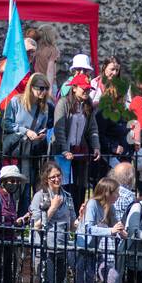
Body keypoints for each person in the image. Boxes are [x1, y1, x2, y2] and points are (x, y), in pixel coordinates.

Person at [74, 177, 128, 283]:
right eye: (115, 192)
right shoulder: (92, 204)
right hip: (83, 251)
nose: (118, 195)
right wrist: (111, 230)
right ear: (106, 193)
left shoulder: (111, 207)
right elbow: (88, 229)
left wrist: (122, 232)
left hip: (97, 252)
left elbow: (117, 227)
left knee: (113, 277)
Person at [29, 161, 75, 283]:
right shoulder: (39, 196)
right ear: (46, 179)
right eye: (52, 177)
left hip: (62, 248)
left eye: (58, 176)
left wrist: (80, 219)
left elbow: (72, 225)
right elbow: (35, 225)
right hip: (45, 250)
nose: (56, 179)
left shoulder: (67, 197)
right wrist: (53, 208)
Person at [54, 71, 103, 211]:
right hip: (62, 152)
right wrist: (64, 149)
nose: (87, 91)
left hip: (79, 152)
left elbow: (93, 129)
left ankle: (76, 215)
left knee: (79, 187)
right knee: (63, 186)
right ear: (74, 87)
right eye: (84, 88)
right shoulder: (63, 103)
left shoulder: (87, 105)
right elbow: (59, 129)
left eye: (88, 89)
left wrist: (96, 147)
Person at [4, 72, 55, 195]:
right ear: (31, 87)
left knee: (30, 185)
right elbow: (5, 123)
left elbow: (45, 127)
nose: (43, 92)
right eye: (40, 88)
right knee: (17, 186)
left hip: (32, 150)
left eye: (46, 89)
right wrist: (26, 131)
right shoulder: (16, 101)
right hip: (16, 149)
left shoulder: (45, 106)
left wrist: (42, 133)